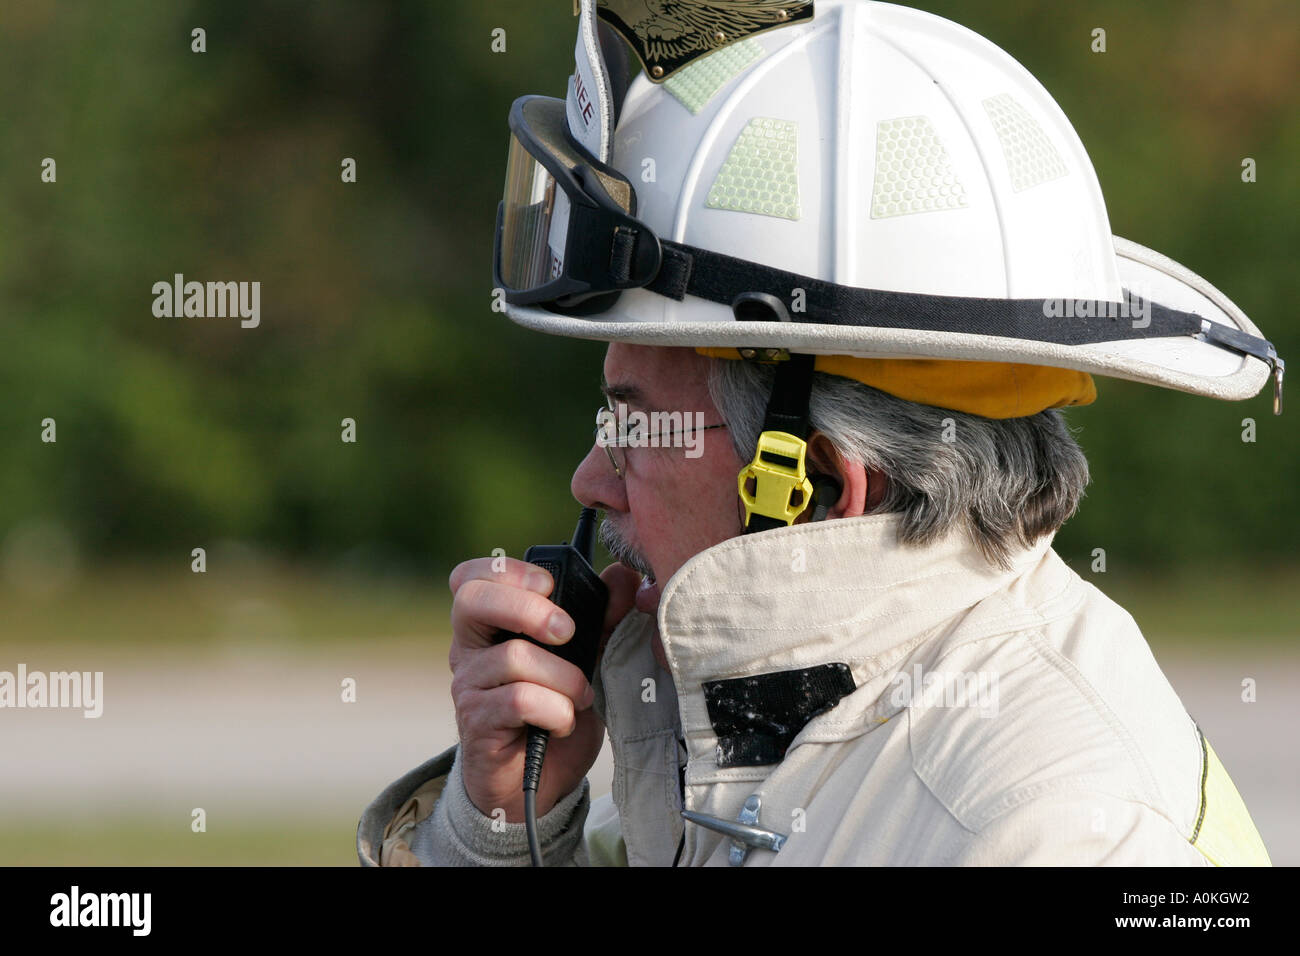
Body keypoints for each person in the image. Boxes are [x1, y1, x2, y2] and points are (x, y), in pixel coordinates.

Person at [357, 0, 1280, 866]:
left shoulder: (1050, 832)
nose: (589, 481)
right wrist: (498, 825)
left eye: (635, 428)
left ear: (824, 487)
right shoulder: (776, 732)